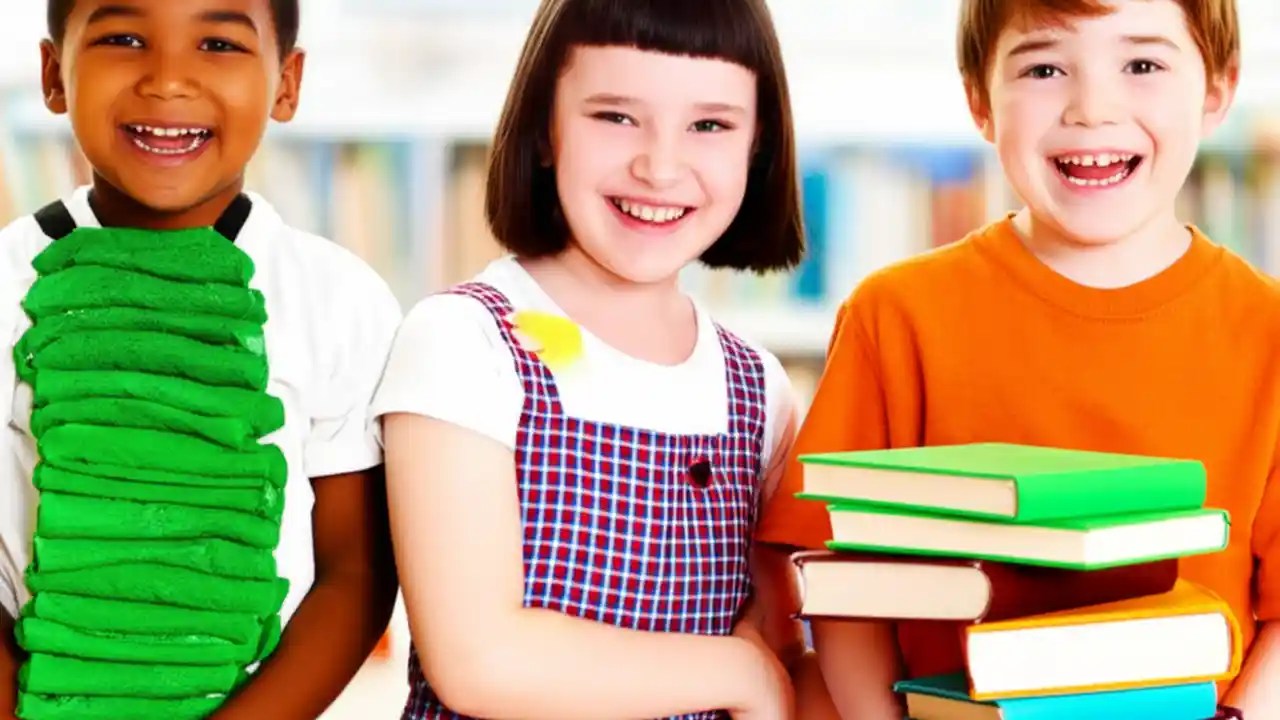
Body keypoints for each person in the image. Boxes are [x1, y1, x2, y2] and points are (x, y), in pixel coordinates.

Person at [755, 0, 1280, 717]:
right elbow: (843, 585)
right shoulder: (897, 317)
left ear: (1217, 90)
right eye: (1044, 67)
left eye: (1143, 64)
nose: (1092, 110)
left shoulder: (1268, 331)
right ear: (980, 101)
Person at [371, 0, 837, 717]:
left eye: (709, 125)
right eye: (616, 116)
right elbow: (479, 659)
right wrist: (740, 673)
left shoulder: (757, 388)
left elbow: (780, 640)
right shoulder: (465, 341)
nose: (659, 164)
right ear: (546, 130)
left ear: (759, 148)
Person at [0, 1, 401, 718]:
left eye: (218, 43)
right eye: (123, 38)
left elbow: (358, 572)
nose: (168, 80)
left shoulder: (338, 300)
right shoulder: (6, 285)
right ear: (53, 74)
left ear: (286, 84)